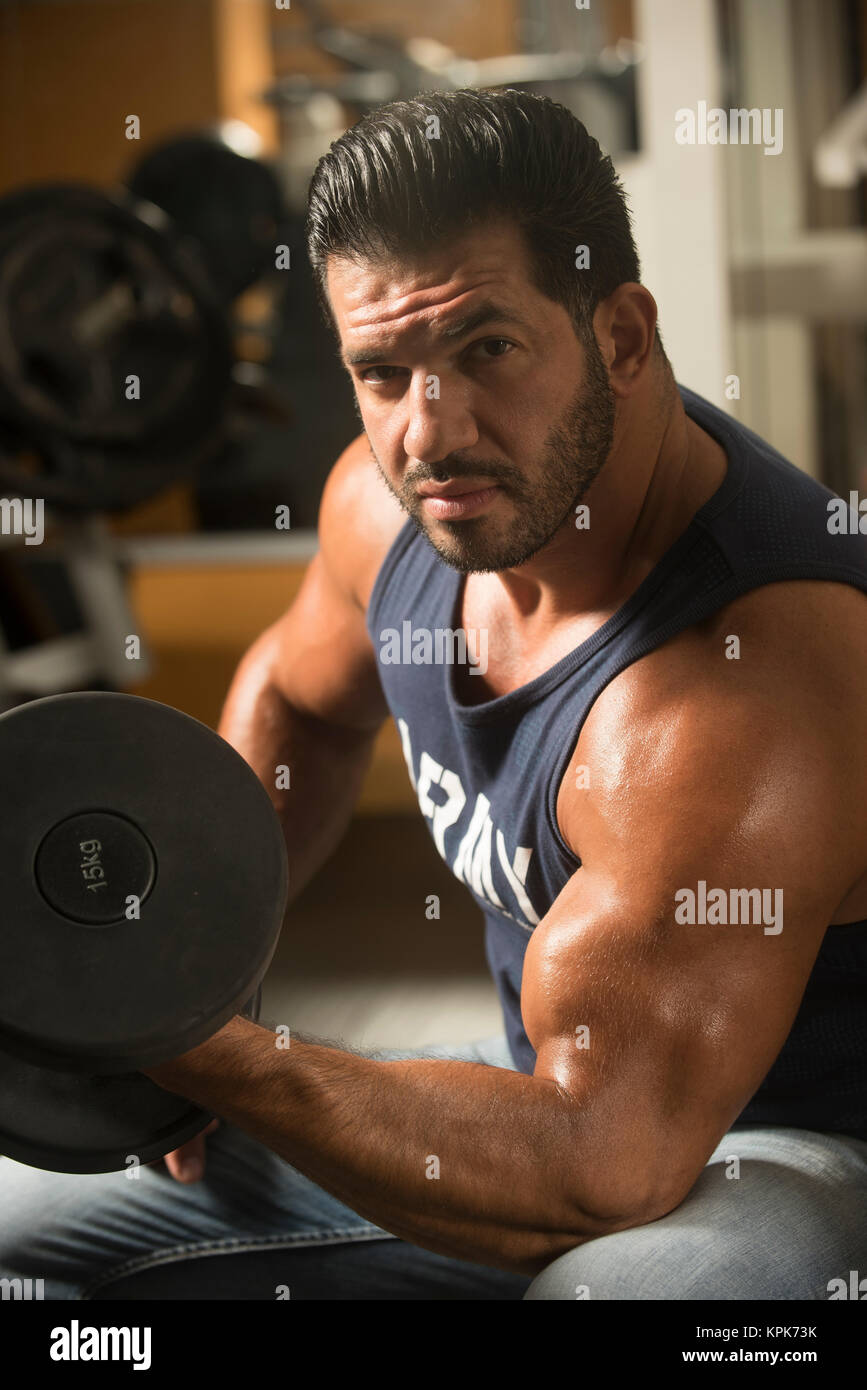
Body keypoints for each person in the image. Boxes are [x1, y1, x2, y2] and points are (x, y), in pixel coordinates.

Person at [1, 89, 865, 1301]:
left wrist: (195, 1042)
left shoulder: (746, 675)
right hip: (550, 1088)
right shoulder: (390, 513)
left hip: (775, 1147)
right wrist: (200, 963)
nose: (430, 431)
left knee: (636, 1294)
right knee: (19, 1215)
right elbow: (300, 707)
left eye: (486, 350)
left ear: (622, 337)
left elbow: (600, 1163)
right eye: (382, 370)